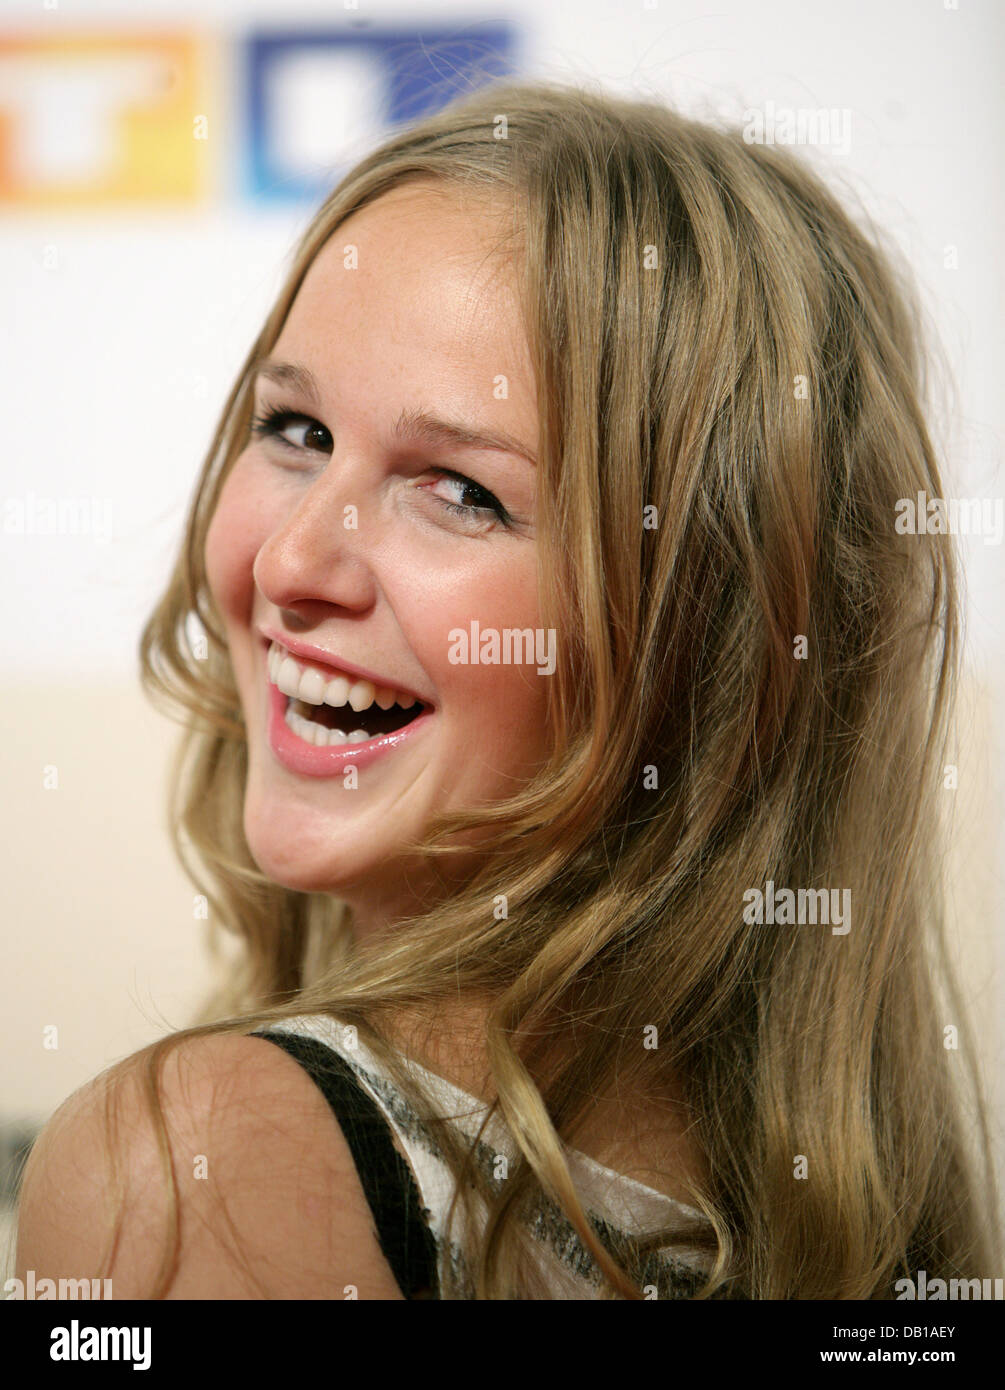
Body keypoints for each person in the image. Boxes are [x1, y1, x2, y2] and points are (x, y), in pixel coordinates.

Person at [13, 78, 999, 1300]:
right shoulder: (875, 1224)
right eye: (297, 432)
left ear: (716, 638)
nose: (288, 561)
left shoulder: (195, 1164)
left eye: (462, 491)